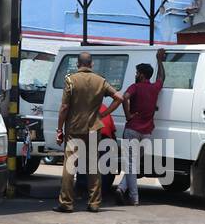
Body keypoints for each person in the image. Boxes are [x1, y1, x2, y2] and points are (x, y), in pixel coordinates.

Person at [55, 52, 124, 213]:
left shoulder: (71, 80)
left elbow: (64, 108)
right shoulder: (100, 81)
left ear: (78, 65)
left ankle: (66, 203)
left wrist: (59, 129)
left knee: (70, 166)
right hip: (93, 128)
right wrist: (103, 114)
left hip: (74, 129)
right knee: (93, 166)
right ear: (91, 64)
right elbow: (119, 97)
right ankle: (94, 203)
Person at [116, 48, 165, 205]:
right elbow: (161, 77)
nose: (136, 75)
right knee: (134, 164)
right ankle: (121, 188)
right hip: (147, 134)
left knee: (130, 165)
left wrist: (128, 115)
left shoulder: (135, 87)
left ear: (142, 74)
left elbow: (124, 97)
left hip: (132, 130)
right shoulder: (154, 88)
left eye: (137, 73)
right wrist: (159, 60)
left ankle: (134, 197)